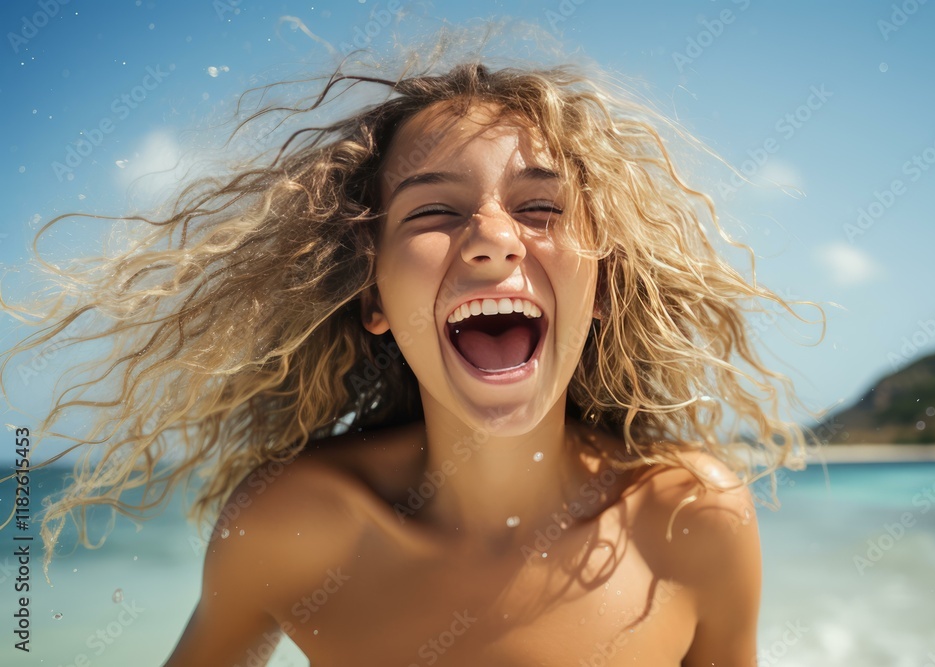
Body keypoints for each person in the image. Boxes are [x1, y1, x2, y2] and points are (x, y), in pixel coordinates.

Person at [1, 26, 823, 667]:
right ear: (373, 298)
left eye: (541, 209)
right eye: (434, 213)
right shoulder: (295, 526)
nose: (493, 239)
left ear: (602, 285)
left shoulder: (689, 519)